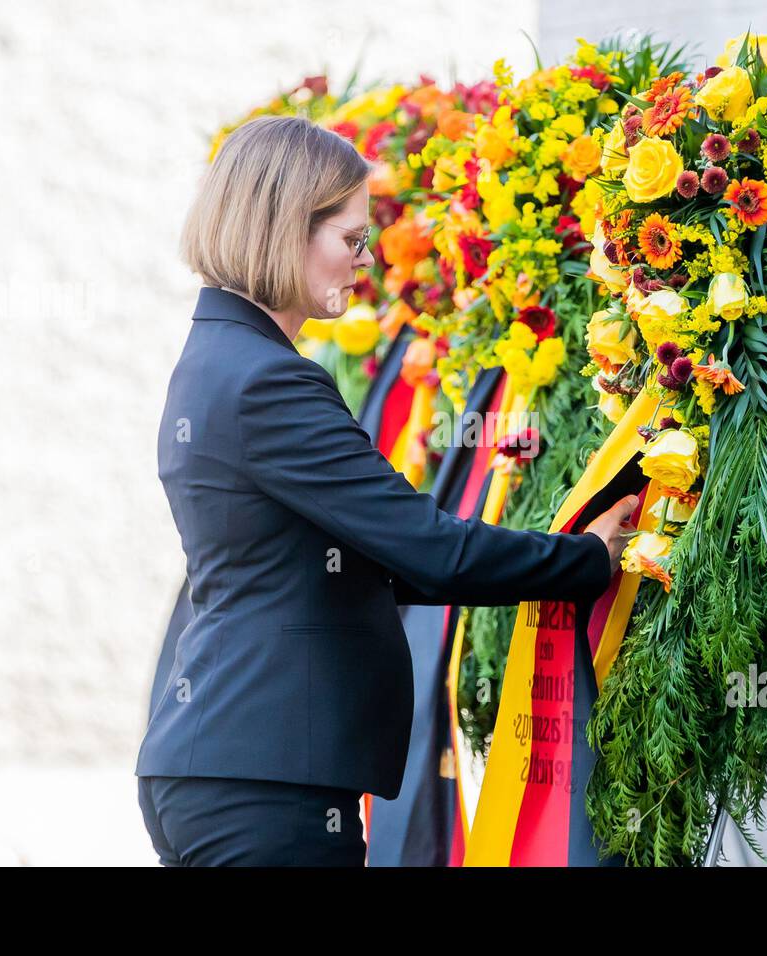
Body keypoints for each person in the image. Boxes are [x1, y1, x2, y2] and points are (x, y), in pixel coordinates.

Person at [135, 115, 639, 866]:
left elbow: (377, 558)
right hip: (265, 783)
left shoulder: (217, 357)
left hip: (229, 767)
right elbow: (428, 549)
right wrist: (586, 560)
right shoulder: (270, 381)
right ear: (284, 229)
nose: (364, 262)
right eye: (350, 239)